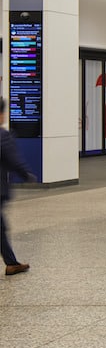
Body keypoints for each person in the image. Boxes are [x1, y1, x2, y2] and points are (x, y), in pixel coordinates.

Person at [2, 97, 36, 276]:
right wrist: (26, 175)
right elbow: (13, 159)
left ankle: (12, 263)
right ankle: (12, 263)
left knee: (0, 227)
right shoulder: (2, 135)